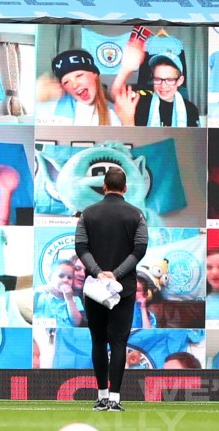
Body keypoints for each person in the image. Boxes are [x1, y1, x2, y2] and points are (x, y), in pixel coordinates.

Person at [75, 167, 148, 412]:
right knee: (118, 343)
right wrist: (115, 275)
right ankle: (115, 400)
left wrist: (98, 273)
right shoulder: (137, 214)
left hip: (95, 290)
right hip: (123, 290)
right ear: (125, 188)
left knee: (98, 341)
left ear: (104, 187)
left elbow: (80, 247)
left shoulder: (88, 213)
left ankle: (102, 397)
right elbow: (139, 250)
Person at [113, 50, 199, 127]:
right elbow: (114, 95)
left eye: (169, 80)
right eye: (157, 79)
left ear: (180, 81)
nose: (163, 86)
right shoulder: (140, 104)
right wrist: (126, 69)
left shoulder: (190, 110)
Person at [37, 49, 120, 126]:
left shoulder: (114, 112)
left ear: (95, 75)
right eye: (66, 82)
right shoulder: (53, 105)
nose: (74, 85)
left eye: (79, 76)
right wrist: (37, 95)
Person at [34, 260, 84, 327]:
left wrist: (69, 299)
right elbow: (31, 313)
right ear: (50, 278)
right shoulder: (42, 296)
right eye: (61, 276)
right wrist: (36, 294)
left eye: (69, 277)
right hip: (44, 334)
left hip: (67, 335)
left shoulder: (75, 299)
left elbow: (77, 322)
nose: (66, 280)